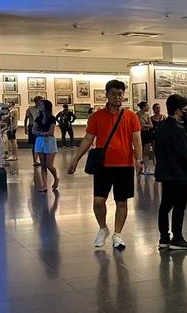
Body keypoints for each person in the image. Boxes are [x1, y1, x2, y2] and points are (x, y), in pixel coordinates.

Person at [67, 79, 143, 250]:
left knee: (121, 202)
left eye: (120, 94)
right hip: (103, 165)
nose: (118, 97)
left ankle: (118, 234)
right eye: (114, 94)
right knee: (98, 201)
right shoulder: (96, 117)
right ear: (106, 95)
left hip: (124, 165)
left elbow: (137, 139)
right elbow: (88, 138)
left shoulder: (131, 116)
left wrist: (139, 160)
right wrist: (75, 159)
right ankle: (103, 228)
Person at [155, 94, 187, 250]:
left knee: (165, 206)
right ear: (178, 110)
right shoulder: (178, 129)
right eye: (184, 109)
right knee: (179, 206)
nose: (186, 112)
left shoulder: (161, 127)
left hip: (166, 174)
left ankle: (164, 238)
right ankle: (177, 238)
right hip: (179, 174)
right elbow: (185, 154)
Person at [32, 99, 60, 192]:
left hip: (49, 142)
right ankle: (44, 185)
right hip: (40, 141)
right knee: (43, 165)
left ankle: (56, 178)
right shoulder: (38, 118)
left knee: (49, 165)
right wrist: (42, 133)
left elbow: (51, 132)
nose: (40, 106)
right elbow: (33, 130)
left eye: (42, 105)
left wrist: (40, 133)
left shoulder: (52, 118)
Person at [24, 95, 43, 166]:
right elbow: (26, 119)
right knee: (34, 144)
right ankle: (35, 160)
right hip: (32, 127)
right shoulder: (30, 109)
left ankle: (39, 159)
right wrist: (25, 128)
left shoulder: (42, 109)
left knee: (39, 143)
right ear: (36, 101)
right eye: (40, 101)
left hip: (40, 127)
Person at [137, 101, 155, 174]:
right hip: (140, 134)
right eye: (147, 106)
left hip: (147, 134)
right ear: (143, 107)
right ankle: (140, 168)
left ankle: (146, 168)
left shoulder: (147, 115)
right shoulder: (136, 115)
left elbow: (151, 126)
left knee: (146, 152)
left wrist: (144, 125)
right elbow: (139, 126)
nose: (148, 107)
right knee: (140, 152)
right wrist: (146, 125)